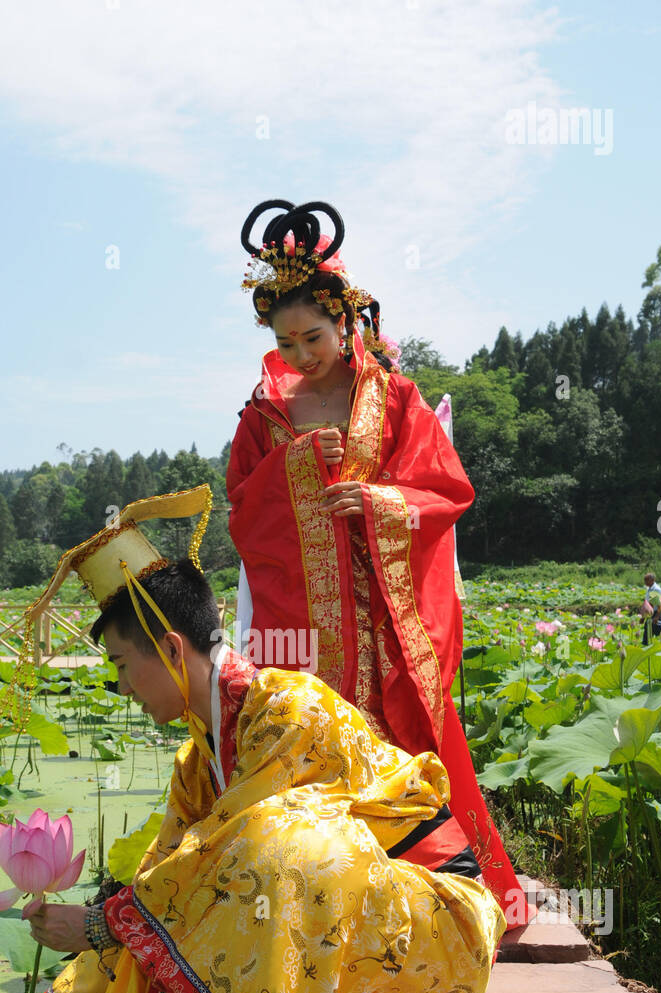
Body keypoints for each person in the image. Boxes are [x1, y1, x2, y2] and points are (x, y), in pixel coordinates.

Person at [0, 486, 506, 993]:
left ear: (172, 650)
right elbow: (161, 881)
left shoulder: (287, 713)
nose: (119, 687)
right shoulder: (198, 764)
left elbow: (205, 879)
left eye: (120, 665)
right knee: (217, 885)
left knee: (270, 857)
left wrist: (105, 922)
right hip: (376, 927)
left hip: (445, 927)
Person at [226, 199, 531, 927]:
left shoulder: (393, 397)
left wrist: (380, 500)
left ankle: (439, 897)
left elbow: (447, 488)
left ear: (346, 321)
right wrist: (295, 468)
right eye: (287, 341)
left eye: (314, 336)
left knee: (409, 743)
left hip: (388, 622)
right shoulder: (263, 415)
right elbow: (243, 512)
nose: (303, 355)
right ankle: (321, 900)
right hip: (306, 629)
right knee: (311, 744)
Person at [641, 571, 661, 646]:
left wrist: (657, 617)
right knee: (647, 633)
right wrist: (643, 617)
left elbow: (659, 604)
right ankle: (646, 648)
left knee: (659, 632)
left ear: (652, 580)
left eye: (646, 580)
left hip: (656, 614)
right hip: (650, 614)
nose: (645, 582)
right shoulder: (650, 589)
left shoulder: (655, 589)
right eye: (644, 580)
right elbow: (648, 604)